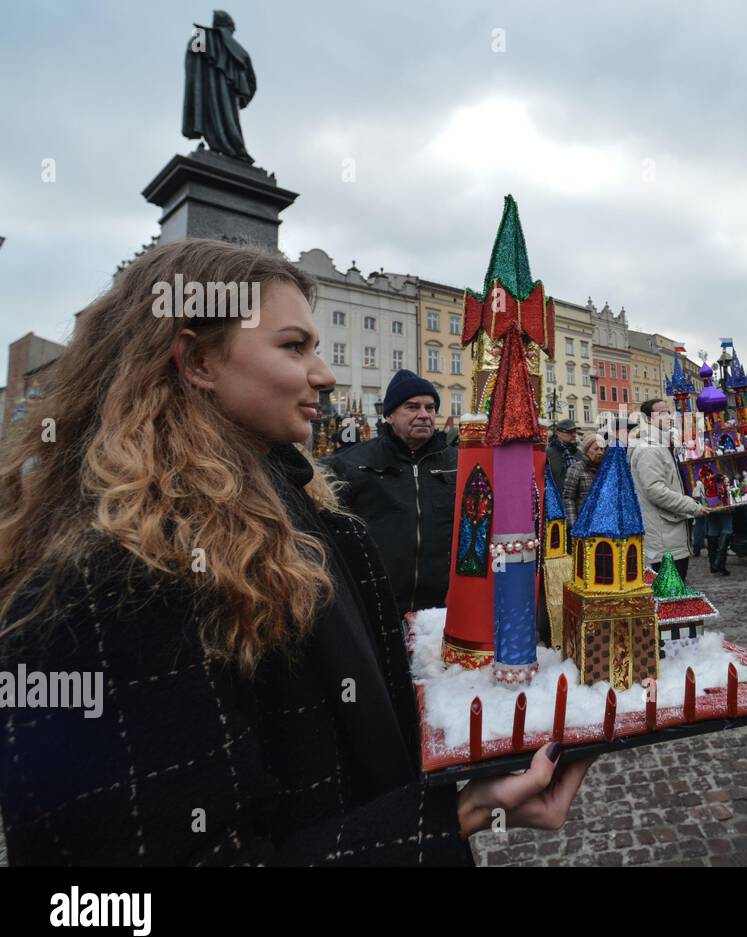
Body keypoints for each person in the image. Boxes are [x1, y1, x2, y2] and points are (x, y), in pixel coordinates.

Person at [0, 239, 591, 865]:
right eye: (293, 346)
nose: (325, 375)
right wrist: (460, 812)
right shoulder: (108, 584)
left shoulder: (299, 510)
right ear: (198, 361)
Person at [324, 369, 457, 613]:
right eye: (412, 407)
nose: (424, 415)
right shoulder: (351, 464)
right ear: (389, 415)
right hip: (377, 608)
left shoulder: (457, 463)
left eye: (430, 408)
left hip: (442, 610)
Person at [628, 397, 705, 579]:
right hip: (663, 538)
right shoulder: (649, 449)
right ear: (648, 419)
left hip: (670, 532)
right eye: (661, 413)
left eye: (668, 412)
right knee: (669, 591)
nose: (668, 417)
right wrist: (691, 506)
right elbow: (656, 491)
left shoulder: (662, 444)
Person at [562, 431, 605, 525]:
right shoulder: (576, 468)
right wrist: (574, 524)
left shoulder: (605, 470)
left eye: (602, 449)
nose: (600, 452)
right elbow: (568, 498)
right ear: (587, 450)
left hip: (602, 522)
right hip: (582, 522)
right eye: (596, 449)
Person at [546, 419, 582, 493]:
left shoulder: (579, 453)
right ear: (558, 433)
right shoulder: (548, 453)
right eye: (569, 432)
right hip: (556, 497)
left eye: (574, 431)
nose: (574, 435)